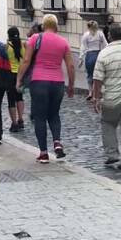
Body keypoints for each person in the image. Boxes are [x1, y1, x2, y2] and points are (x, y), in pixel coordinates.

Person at [16, 14, 75, 164]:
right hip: (58, 83)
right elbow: (70, 65)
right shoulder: (63, 42)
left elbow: (27, 60)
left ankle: (43, 153)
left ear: (43, 25)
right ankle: (57, 142)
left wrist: (19, 79)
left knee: (40, 117)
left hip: (39, 81)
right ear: (56, 26)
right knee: (54, 115)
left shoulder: (35, 39)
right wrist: (71, 85)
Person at [90, 25, 121, 173]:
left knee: (108, 123)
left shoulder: (104, 54)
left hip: (111, 97)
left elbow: (97, 79)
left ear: (110, 36)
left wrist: (96, 98)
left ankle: (112, 153)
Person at [80, 20, 108, 101]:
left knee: (89, 75)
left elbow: (83, 47)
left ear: (89, 27)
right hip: (98, 55)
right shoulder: (100, 33)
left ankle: (90, 92)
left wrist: (81, 58)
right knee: (99, 74)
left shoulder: (86, 35)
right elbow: (105, 44)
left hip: (89, 56)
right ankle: (98, 92)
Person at [5, 27, 27, 132]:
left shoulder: (7, 46)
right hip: (21, 74)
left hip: (10, 74)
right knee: (20, 97)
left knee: (11, 100)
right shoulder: (23, 44)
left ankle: (14, 123)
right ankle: (21, 119)